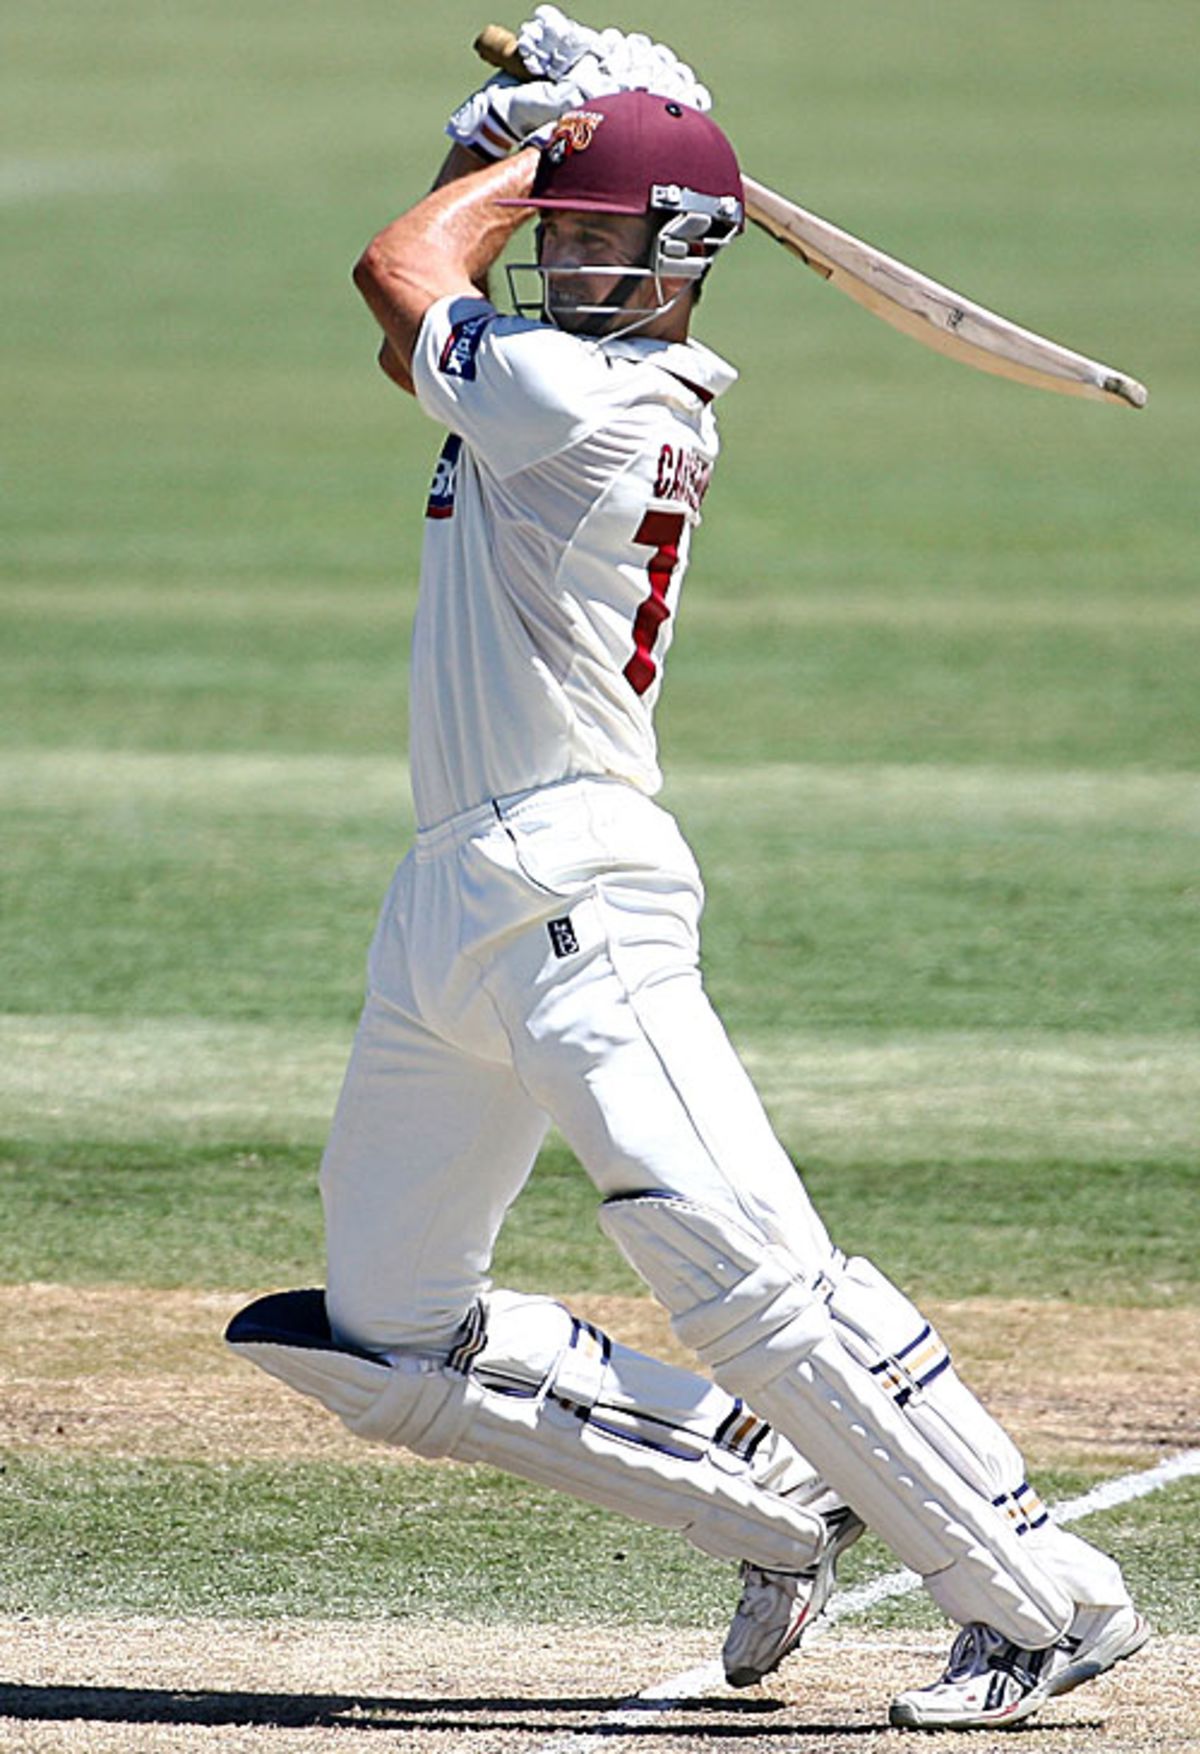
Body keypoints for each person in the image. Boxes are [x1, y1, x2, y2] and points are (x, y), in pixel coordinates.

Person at [227, 10, 1148, 1728]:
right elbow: (416, 311)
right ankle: (775, 1499)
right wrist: (557, 132)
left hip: (579, 894)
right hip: (453, 898)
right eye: (558, 243)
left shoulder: (587, 402)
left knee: (743, 1268)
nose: (565, 266)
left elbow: (396, 264)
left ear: (677, 261)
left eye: (596, 241)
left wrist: (535, 141)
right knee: (378, 1332)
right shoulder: (545, 382)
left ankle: (1043, 1600)